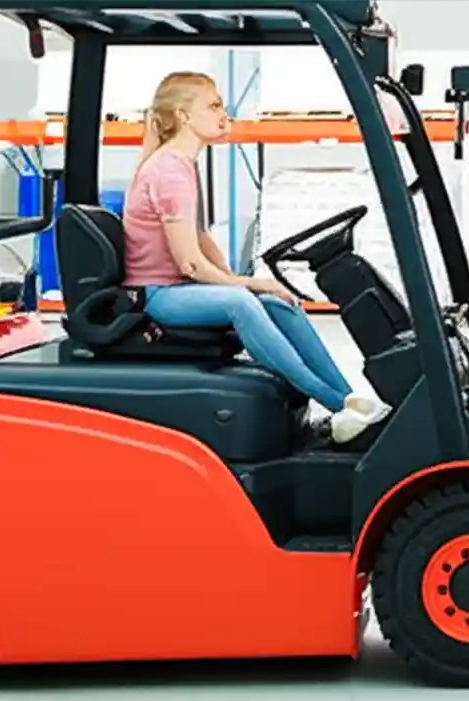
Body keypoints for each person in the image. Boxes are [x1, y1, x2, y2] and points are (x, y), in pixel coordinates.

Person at [123, 71, 391, 444]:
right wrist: (245, 284)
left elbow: (200, 239)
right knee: (241, 302)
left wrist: (245, 281)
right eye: (213, 105)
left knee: (281, 304)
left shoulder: (183, 165)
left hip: (177, 288)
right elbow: (191, 264)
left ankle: (351, 404)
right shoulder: (169, 170)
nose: (223, 112)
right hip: (158, 293)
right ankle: (334, 402)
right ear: (184, 116)